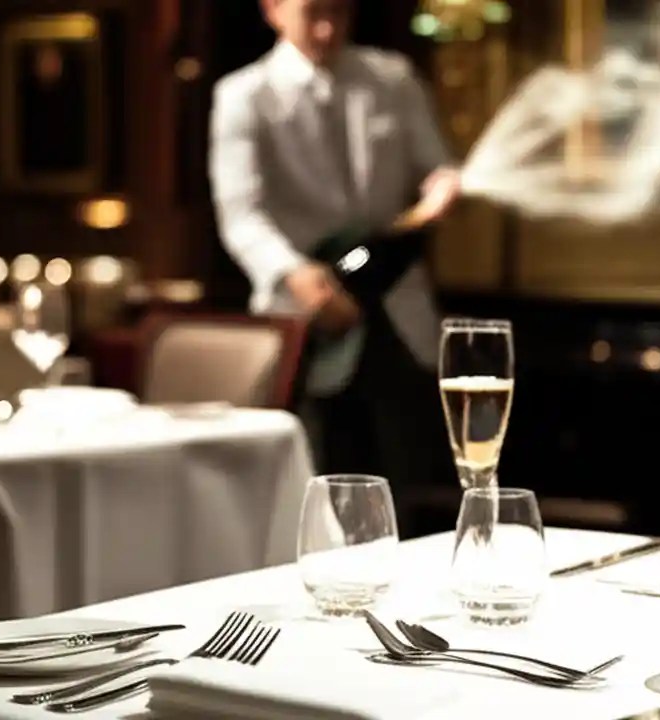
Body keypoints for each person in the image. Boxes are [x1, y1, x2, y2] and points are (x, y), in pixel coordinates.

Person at [208, 0, 461, 531]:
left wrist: (441, 189)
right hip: (306, 321)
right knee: (317, 490)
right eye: (313, 13)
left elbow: (435, 165)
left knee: (407, 484)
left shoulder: (392, 78)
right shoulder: (244, 95)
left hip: (394, 310)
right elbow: (241, 214)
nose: (327, 29)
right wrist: (298, 275)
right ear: (273, 9)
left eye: (340, 13)